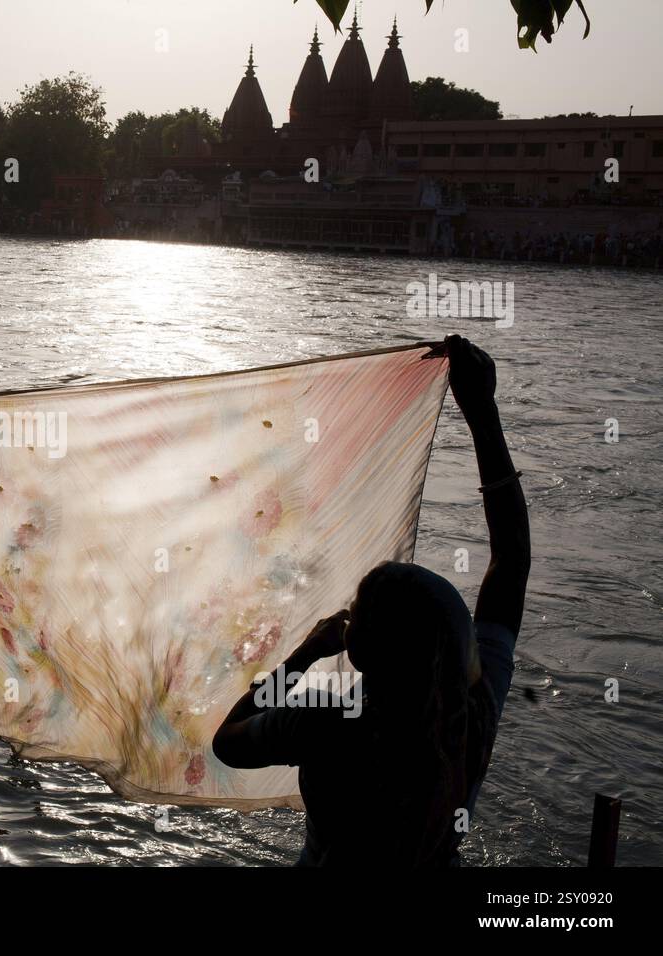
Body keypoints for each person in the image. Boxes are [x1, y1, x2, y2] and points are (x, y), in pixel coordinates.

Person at [213, 335, 531, 866]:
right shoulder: (470, 718)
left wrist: (302, 657)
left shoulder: (326, 723)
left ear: (355, 647)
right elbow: (512, 564)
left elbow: (227, 743)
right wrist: (482, 411)